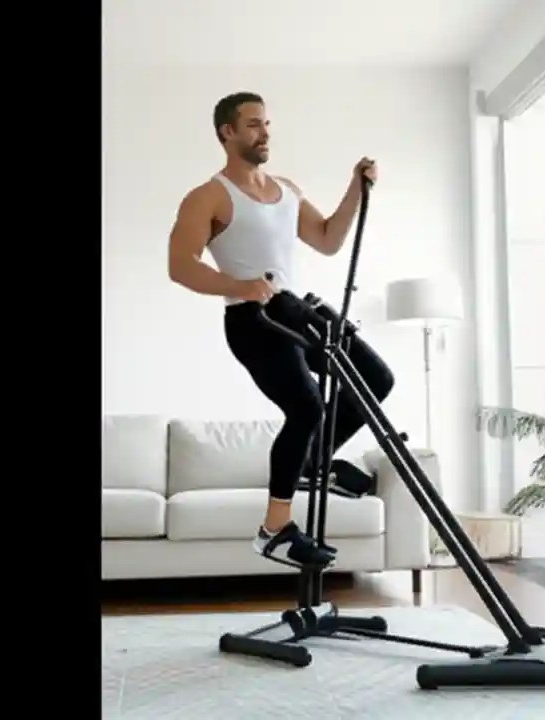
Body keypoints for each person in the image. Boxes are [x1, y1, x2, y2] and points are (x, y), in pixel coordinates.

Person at [167, 91, 395, 568]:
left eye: (267, 123)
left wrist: (356, 187)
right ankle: (274, 530)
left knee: (376, 379)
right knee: (307, 405)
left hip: (296, 309)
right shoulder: (208, 196)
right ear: (227, 132)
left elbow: (330, 239)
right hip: (254, 320)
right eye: (253, 124)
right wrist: (240, 286)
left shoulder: (287, 190)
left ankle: (316, 463)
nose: (265, 132)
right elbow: (180, 267)